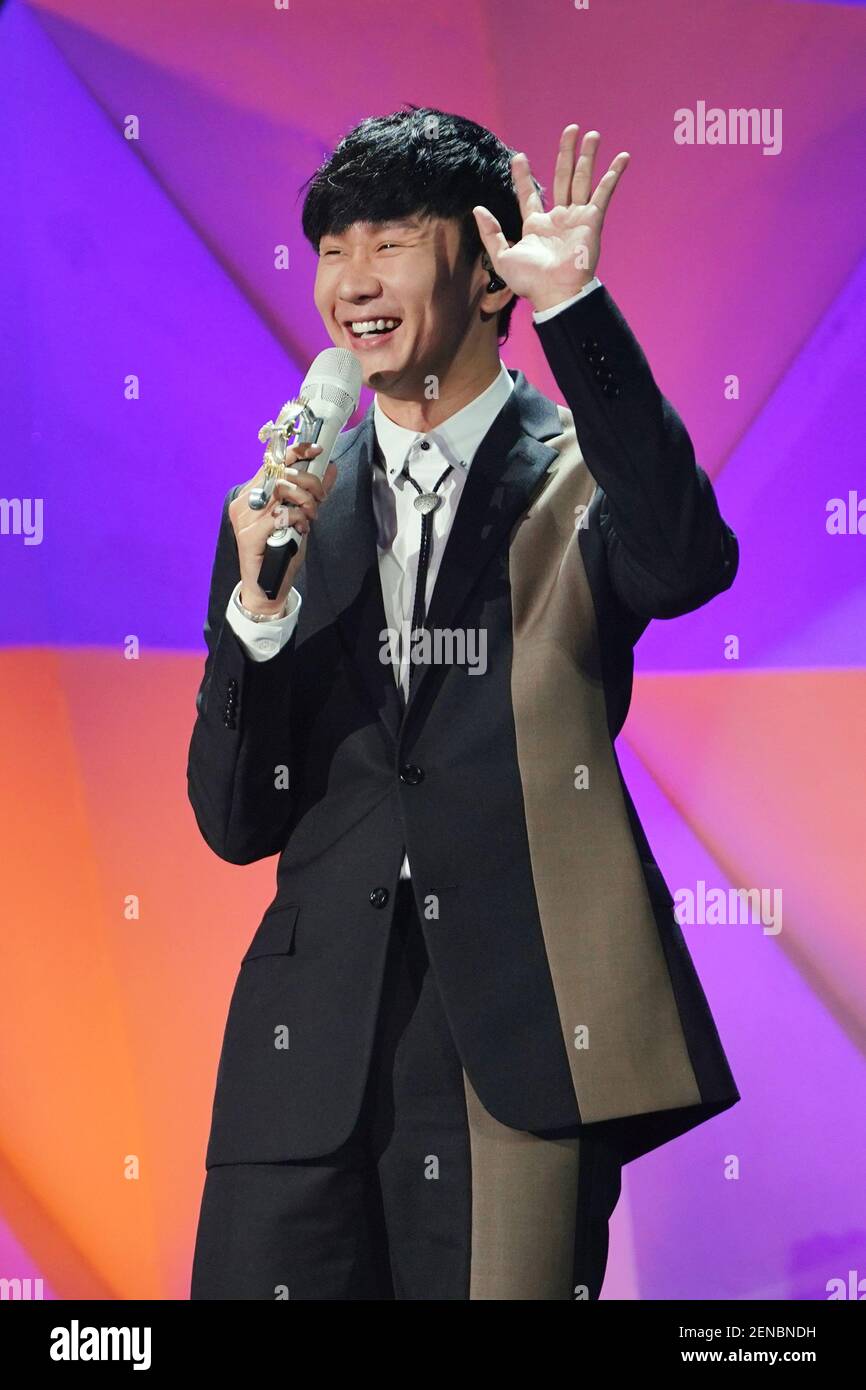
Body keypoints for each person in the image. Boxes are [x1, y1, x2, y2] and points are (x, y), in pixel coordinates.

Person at [187, 106, 740, 1301]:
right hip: (303, 1064)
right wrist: (258, 614)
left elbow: (688, 561)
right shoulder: (281, 512)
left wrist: (576, 311)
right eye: (333, 248)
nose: (352, 280)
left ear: (487, 274)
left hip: (520, 1046)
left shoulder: (582, 476)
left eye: (389, 239)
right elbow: (233, 822)